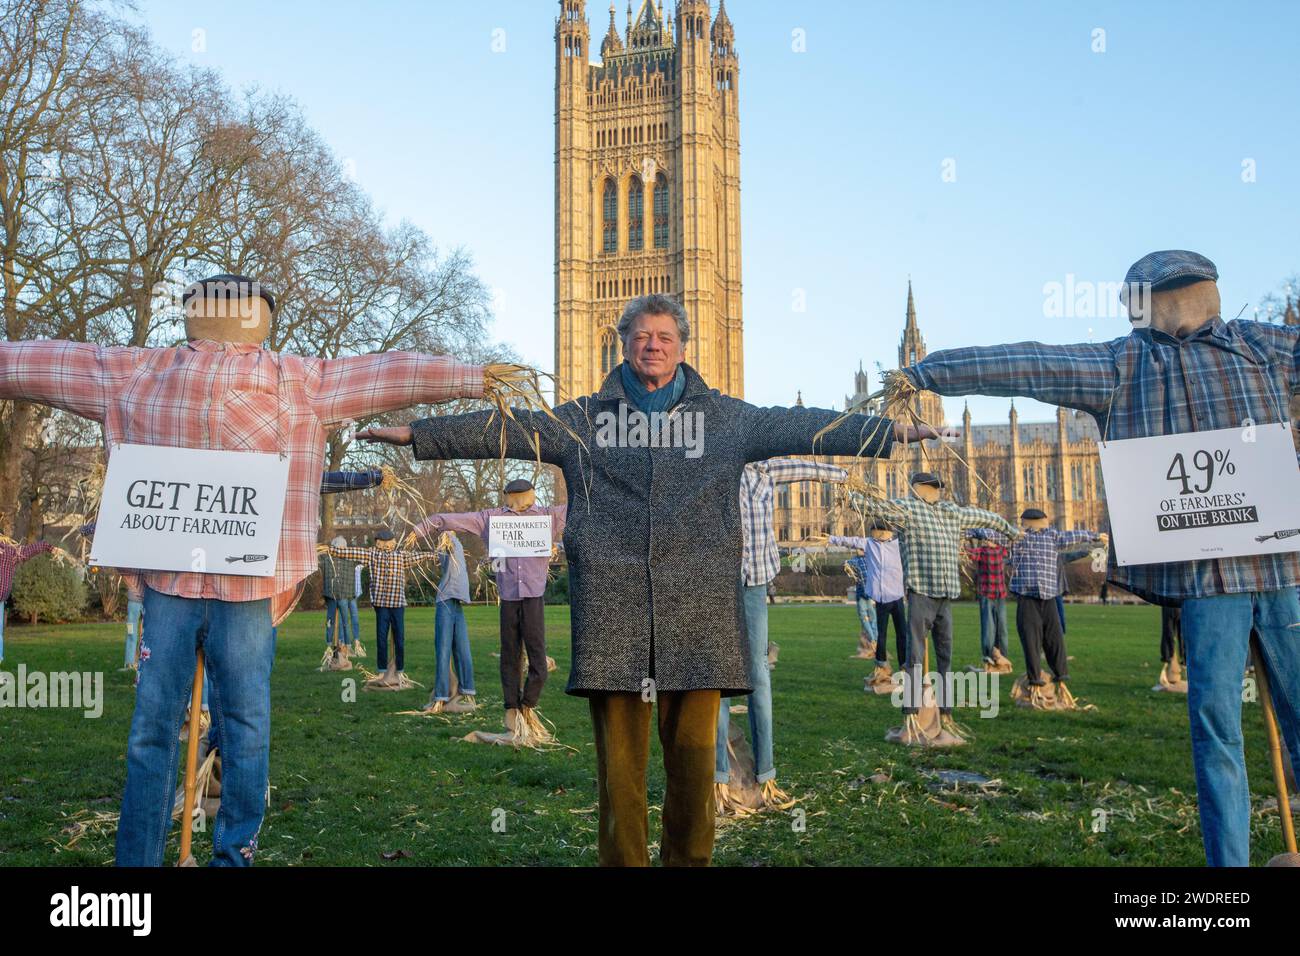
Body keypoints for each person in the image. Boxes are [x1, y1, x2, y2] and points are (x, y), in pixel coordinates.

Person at [360, 293, 930, 866]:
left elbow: (802, 426)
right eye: (641, 336)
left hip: (697, 613)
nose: (652, 345)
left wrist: (887, 434)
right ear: (624, 342)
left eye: (664, 337)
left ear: (682, 346)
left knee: (692, 770)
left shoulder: (725, 419)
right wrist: (418, 435)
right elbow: (505, 430)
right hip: (615, 611)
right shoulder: (584, 420)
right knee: (619, 777)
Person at [0, 273, 494, 866]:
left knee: (174, 729)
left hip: (200, 588)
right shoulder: (287, 379)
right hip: (212, 587)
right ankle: (208, 857)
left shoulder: (143, 370)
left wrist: (475, 378)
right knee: (233, 725)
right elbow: (389, 373)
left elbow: (39, 363)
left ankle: (173, 861)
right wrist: (478, 376)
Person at [898, 250, 1300, 865]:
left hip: (1278, 572)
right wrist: (925, 374)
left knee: (1241, 731)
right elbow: (1023, 366)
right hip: (1212, 582)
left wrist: (923, 373)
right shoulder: (1127, 363)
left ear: (1154, 301)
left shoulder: (1259, 346)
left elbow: (1027, 362)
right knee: (1217, 735)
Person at [718, 458, 849, 813]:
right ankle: (718, 779)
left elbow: (808, 467)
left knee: (759, 675)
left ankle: (765, 773)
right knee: (718, 680)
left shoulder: (766, 470)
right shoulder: (711, 463)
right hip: (717, 582)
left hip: (755, 582)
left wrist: (846, 475)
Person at [854, 472, 1018, 745]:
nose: (936, 492)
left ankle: (945, 713)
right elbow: (876, 507)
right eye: (931, 488)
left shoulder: (951, 511)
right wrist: (850, 495)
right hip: (921, 593)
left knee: (945, 656)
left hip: (945, 595)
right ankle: (912, 714)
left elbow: (984, 517)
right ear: (918, 489)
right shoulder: (907, 509)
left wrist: (1010, 531)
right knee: (914, 658)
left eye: (937, 488)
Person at [410, 479, 563, 735]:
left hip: (534, 597)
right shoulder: (492, 519)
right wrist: (424, 526)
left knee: (538, 658)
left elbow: (584, 510)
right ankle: (512, 708)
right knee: (509, 656)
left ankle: (528, 704)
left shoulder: (548, 515)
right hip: (509, 599)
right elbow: (453, 519)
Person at [973, 510, 1106, 708]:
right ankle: (1035, 683)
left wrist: (1094, 536)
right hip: (1027, 599)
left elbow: (1071, 536)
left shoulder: (1052, 536)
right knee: (1030, 641)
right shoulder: (1016, 538)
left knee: (1055, 640)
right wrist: (970, 529)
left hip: (1050, 598)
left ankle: (1061, 680)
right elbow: (990, 534)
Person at [324, 530, 440, 688]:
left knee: (399, 639)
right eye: (381, 541)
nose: (384, 544)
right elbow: (353, 552)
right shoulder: (372, 554)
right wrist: (331, 550)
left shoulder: (400, 556)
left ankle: (399, 671)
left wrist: (433, 554)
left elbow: (417, 557)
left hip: (398, 604)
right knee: (381, 638)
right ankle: (382, 671)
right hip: (381, 604)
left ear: (392, 541)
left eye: (387, 541)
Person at [829, 523, 906, 686]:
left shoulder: (897, 544)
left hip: (896, 596)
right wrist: (831, 539)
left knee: (902, 634)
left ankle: (904, 668)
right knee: (882, 634)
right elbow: (851, 541)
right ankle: (882, 666)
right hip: (882, 598)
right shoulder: (870, 544)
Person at [422, 530, 477, 713]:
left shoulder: (453, 543)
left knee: (458, 649)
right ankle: (444, 695)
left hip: (451, 602)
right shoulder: (447, 545)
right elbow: (443, 546)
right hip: (448, 601)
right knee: (450, 650)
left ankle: (459, 692)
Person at [963, 530, 1013, 673]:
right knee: (991, 628)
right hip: (988, 595)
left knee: (998, 628)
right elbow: (969, 553)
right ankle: (991, 657)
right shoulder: (985, 552)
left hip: (997, 595)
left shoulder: (997, 551)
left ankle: (999, 658)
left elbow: (970, 554)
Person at [0, 537, 53, 664]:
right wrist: (46, 546)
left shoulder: (8, 551)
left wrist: (45, 546)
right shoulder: (9, 551)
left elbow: (26, 551)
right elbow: (27, 551)